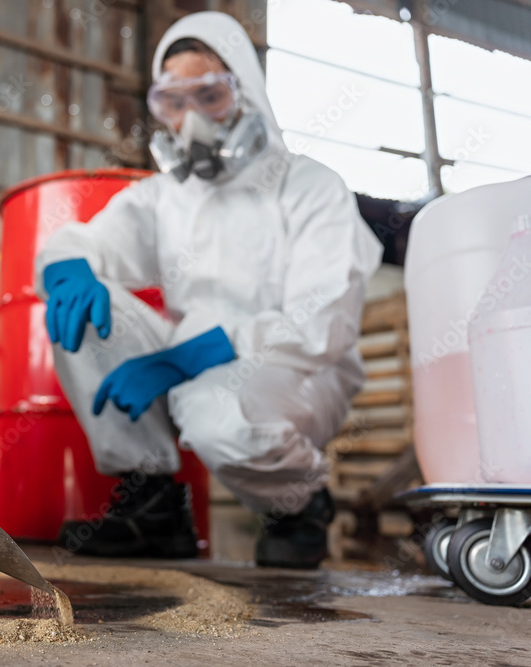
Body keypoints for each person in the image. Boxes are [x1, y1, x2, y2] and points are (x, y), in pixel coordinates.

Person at [36, 12, 383, 568]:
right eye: (173, 102)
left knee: (217, 415)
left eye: (209, 96)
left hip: (299, 370)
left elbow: (321, 324)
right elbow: (82, 242)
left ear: (244, 92)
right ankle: (153, 504)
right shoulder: (164, 198)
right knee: (78, 312)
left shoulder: (309, 185)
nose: (190, 119)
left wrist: (189, 357)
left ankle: (299, 503)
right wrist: (69, 268)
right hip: (188, 356)